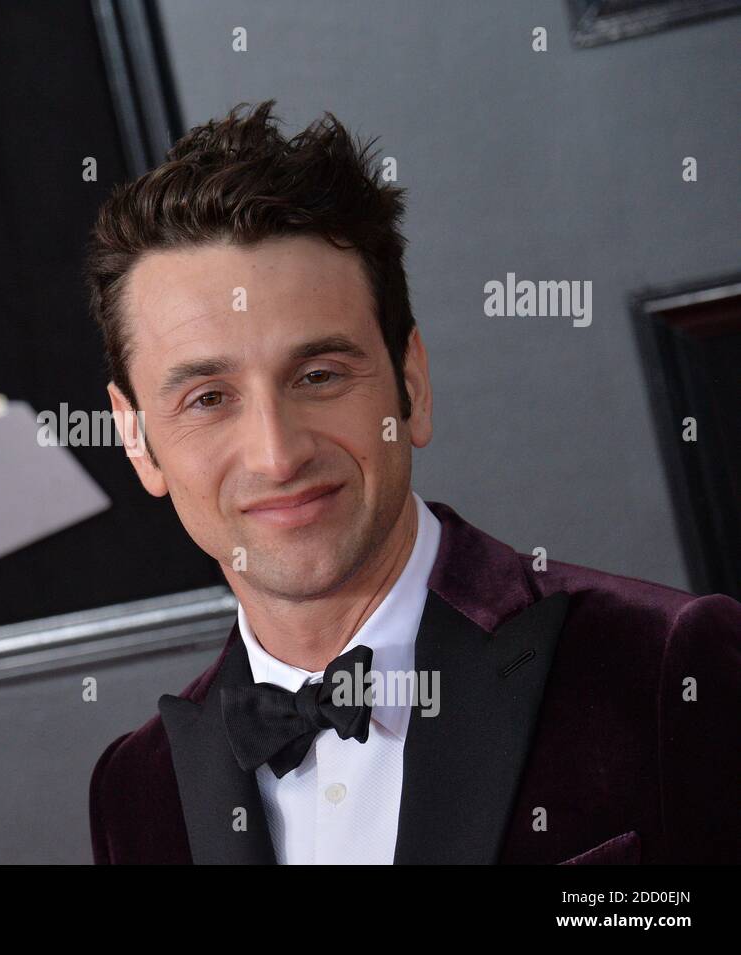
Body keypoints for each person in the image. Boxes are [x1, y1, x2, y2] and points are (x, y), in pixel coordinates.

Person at [81, 102, 740, 864]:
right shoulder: (135, 789)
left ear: (412, 383)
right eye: (207, 398)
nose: (276, 453)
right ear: (136, 438)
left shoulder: (661, 663)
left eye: (319, 374)